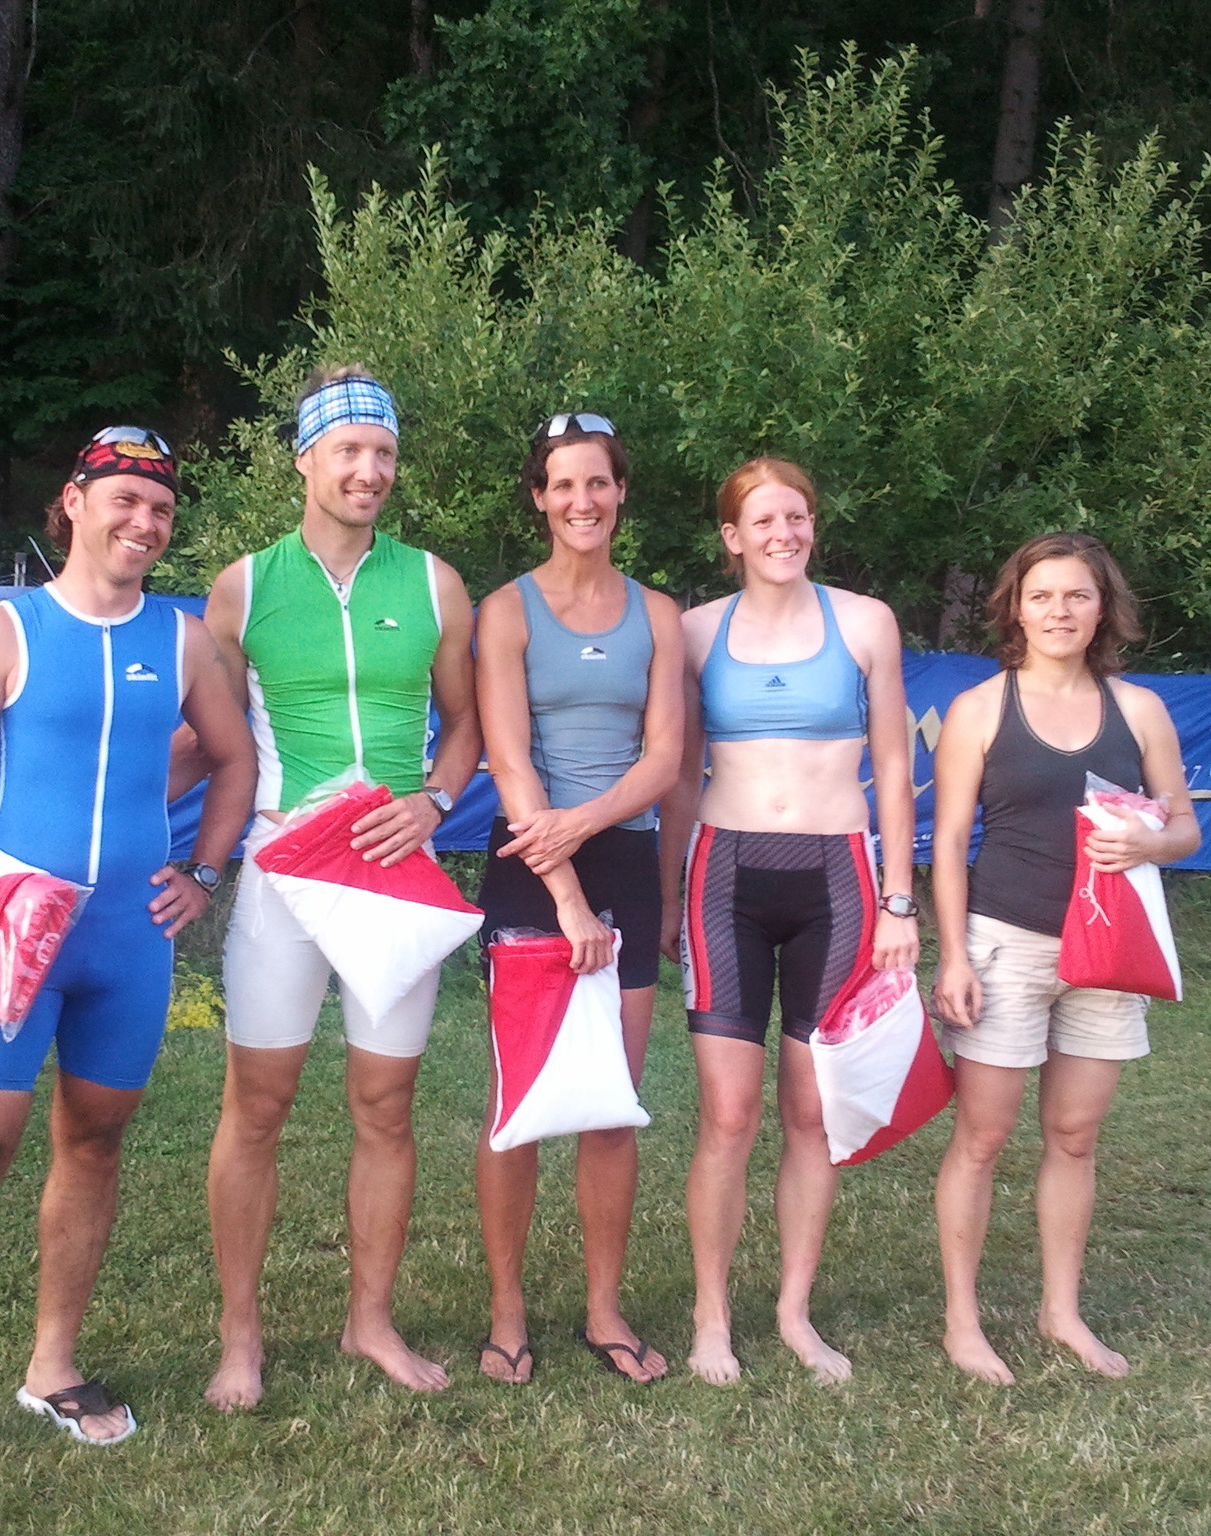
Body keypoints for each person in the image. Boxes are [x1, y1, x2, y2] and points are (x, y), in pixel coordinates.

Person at [0, 426, 255, 1498]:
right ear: (71, 504)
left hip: (127, 942)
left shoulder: (183, 641)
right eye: (123, 500)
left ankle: (52, 1366)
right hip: (11, 933)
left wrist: (204, 874)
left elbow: (234, 759)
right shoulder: (4, 631)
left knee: (95, 1143)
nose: (143, 523)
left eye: (161, 510)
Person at [200, 368, 481, 1410]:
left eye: (385, 454)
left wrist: (436, 801)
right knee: (257, 1106)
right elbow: (218, 741)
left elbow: (464, 724)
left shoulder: (434, 584)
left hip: (394, 876)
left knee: (384, 1104)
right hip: (283, 878)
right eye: (349, 451)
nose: (369, 471)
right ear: (304, 461)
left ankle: (369, 1319)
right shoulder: (242, 587)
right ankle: (241, 1335)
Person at [659, 457, 921, 1386]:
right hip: (723, 878)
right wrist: (662, 898)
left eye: (797, 517)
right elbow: (679, 774)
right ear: (731, 537)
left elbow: (894, 765)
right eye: (762, 520)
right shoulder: (691, 633)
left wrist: (900, 898)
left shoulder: (864, 623)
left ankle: (794, 1313)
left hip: (839, 882)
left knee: (811, 1112)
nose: (783, 533)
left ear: (814, 525)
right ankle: (711, 1318)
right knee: (729, 1115)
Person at [929, 531, 1199, 1384]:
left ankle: (1060, 1312)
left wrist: (1146, 847)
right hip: (1005, 942)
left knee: (1074, 1137)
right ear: (1016, 606)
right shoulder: (980, 709)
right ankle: (963, 1323)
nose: (1059, 611)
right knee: (982, 1137)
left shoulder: (1140, 710)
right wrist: (952, 958)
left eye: (1077, 596)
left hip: (1107, 949)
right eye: (1042, 595)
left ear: (1102, 609)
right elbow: (944, 848)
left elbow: (1186, 825)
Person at [471, 413, 686, 1385]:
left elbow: (666, 760)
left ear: (618, 492)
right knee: (514, 1102)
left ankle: (604, 1313)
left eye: (595, 483)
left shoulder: (659, 614)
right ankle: (507, 1314)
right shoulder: (505, 611)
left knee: (613, 1105)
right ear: (538, 498)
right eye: (561, 485)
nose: (580, 501)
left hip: (624, 859)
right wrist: (560, 889)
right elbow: (508, 759)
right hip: (529, 863)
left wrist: (586, 826)